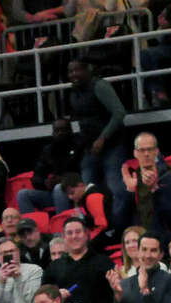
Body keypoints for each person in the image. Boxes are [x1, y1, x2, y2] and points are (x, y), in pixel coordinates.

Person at [65, 59, 127, 199]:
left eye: (77, 70)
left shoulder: (99, 86)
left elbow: (119, 113)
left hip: (112, 145)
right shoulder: (73, 92)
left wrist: (102, 138)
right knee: (87, 191)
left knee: (116, 188)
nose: (73, 74)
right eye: (70, 71)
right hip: (90, 148)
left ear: (88, 70)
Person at [112, 132, 171, 245]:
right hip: (136, 245)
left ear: (156, 151)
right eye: (141, 150)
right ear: (135, 153)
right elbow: (119, 222)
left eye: (150, 149)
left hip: (164, 242)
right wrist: (130, 192)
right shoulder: (128, 182)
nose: (146, 154)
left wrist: (154, 190)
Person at [16, 117, 87, 213]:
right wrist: (45, 183)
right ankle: (29, 226)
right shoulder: (48, 150)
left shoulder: (80, 146)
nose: (60, 133)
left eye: (63, 129)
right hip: (53, 194)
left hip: (76, 192)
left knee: (59, 188)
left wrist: (63, 180)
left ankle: (63, 224)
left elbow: (84, 174)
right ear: (53, 133)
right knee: (22, 194)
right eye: (57, 130)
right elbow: (36, 177)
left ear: (70, 131)